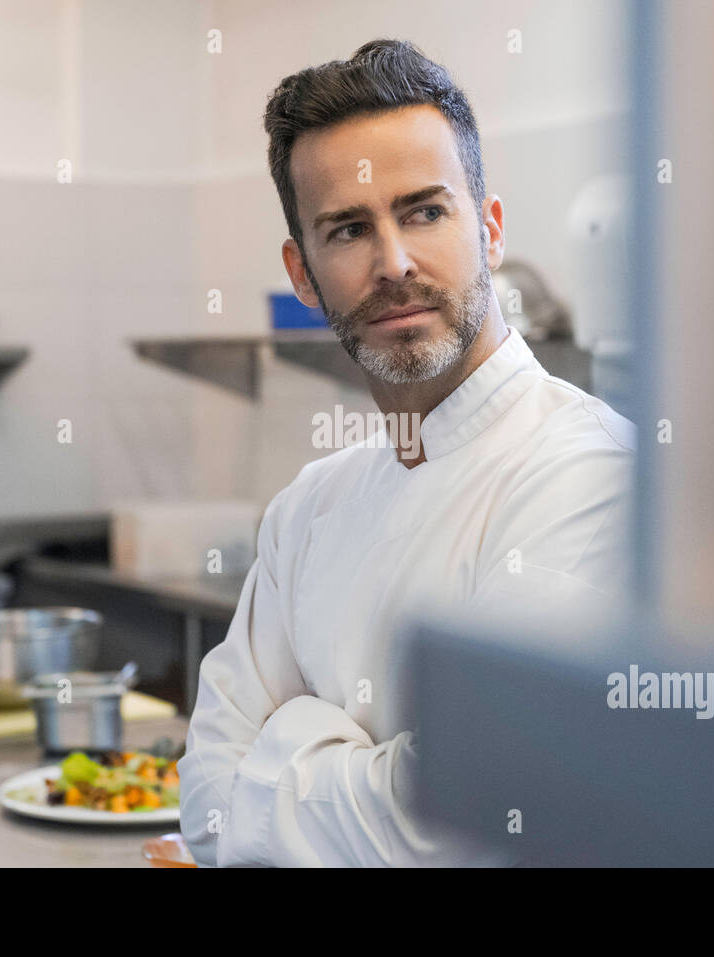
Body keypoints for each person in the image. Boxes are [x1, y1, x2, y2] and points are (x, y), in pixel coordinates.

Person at [177, 38, 635, 867]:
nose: (393, 263)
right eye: (349, 228)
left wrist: (288, 739)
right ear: (304, 275)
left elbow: (465, 828)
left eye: (425, 211)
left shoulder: (593, 477)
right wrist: (365, 775)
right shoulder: (308, 509)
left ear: (489, 228)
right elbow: (206, 805)